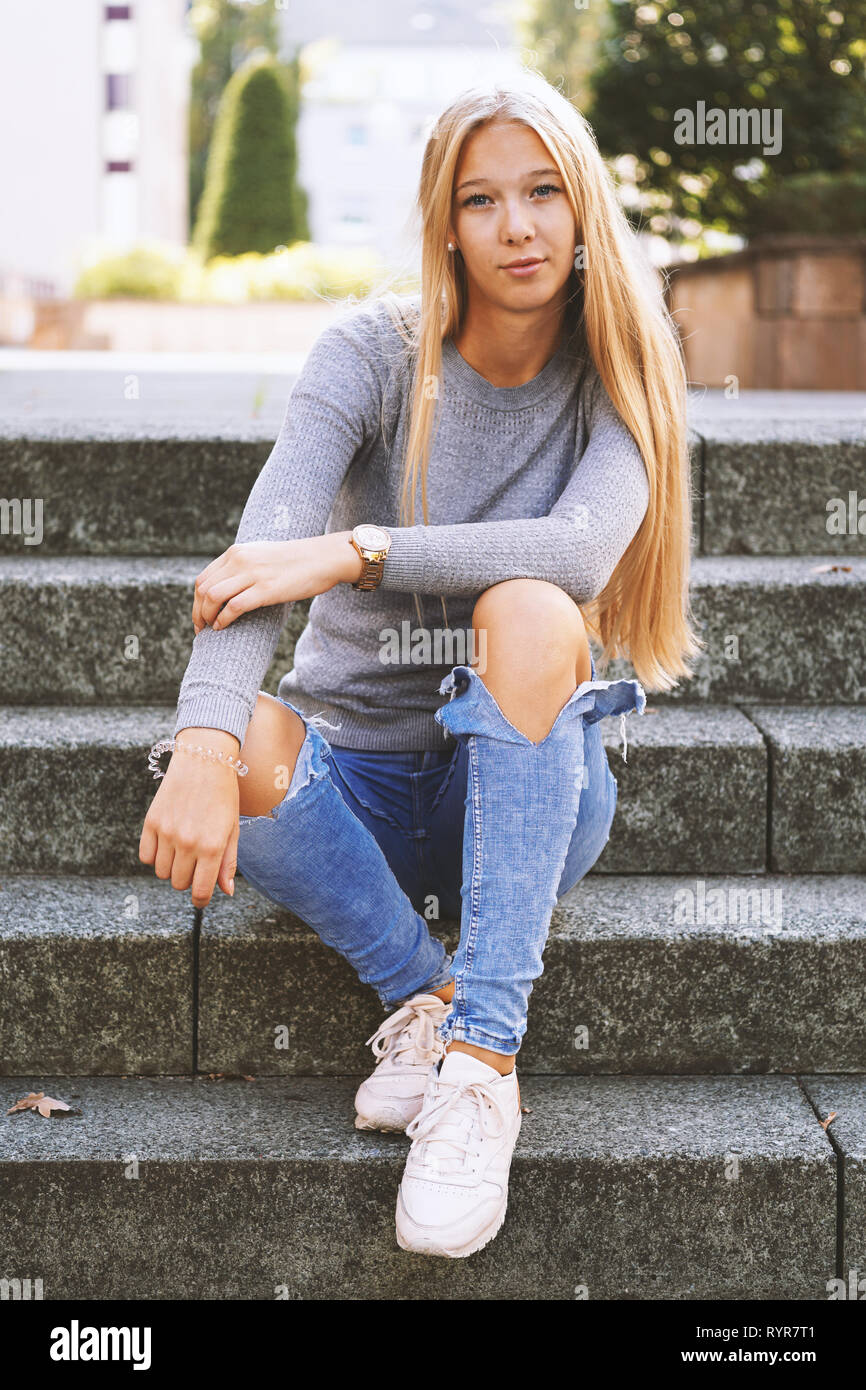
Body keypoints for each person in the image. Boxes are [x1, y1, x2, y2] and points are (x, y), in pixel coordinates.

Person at [140, 70, 701, 1260]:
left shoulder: (620, 366)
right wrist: (201, 741)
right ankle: (425, 996)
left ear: (581, 204)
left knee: (533, 609)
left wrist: (354, 552)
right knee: (243, 738)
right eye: (482, 199)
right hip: (356, 789)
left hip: (522, 788)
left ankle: (481, 1065)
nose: (517, 226)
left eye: (543, 192)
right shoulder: (370, 355)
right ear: (444, 222)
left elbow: (578, 548)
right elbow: (253, 562)